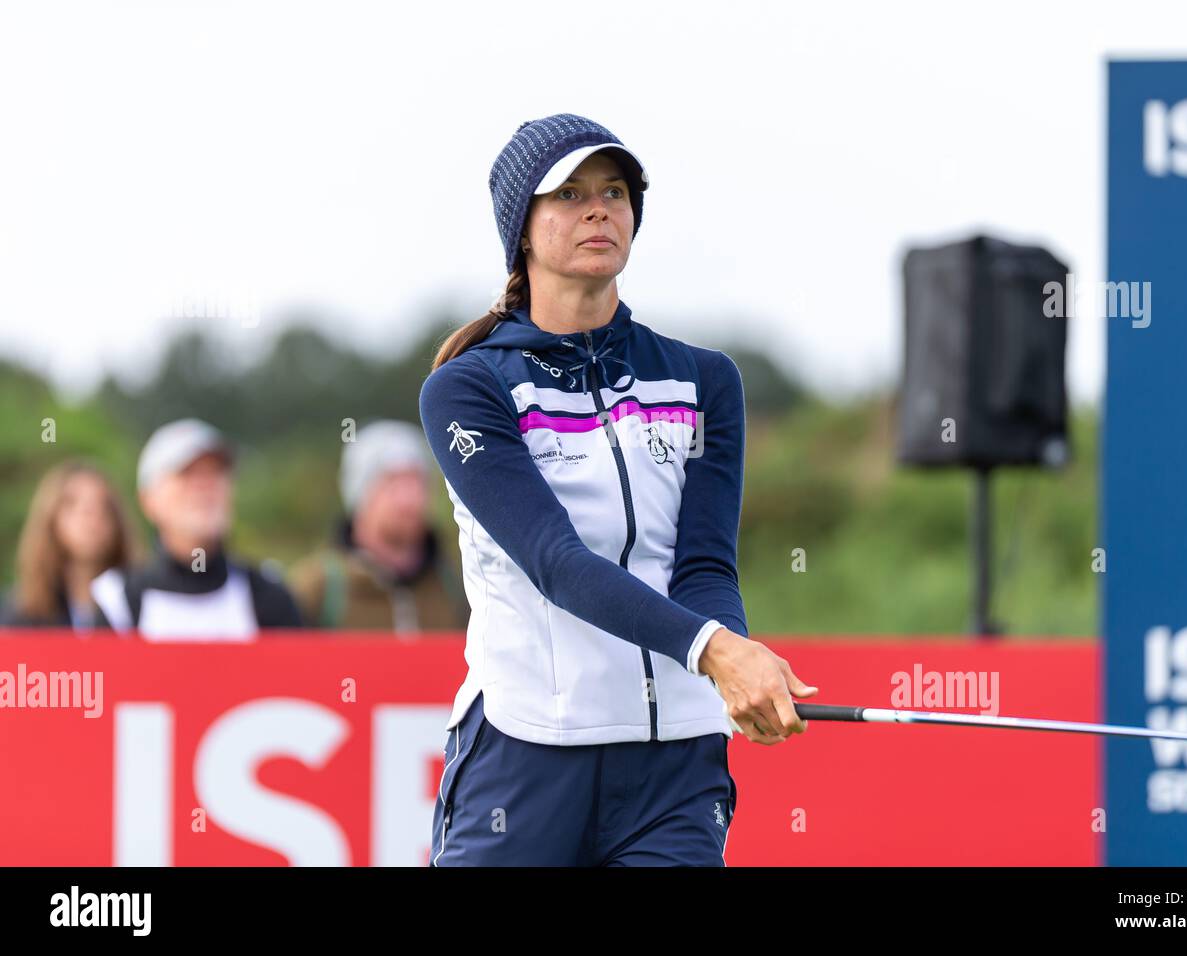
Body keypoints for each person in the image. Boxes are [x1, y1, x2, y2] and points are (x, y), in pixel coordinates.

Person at [418, 113, 818, 867]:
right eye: (568, 194)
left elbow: (702, 566)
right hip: (526, 749)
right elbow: (556, 561)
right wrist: (719, 653)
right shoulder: (468, 388)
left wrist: (726, 666)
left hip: (674, 769)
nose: (599, 208)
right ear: (524, 231)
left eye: (615, 191)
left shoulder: (704, 378)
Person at [89, 418, 303, 639]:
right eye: (187, 474)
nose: (205, 486)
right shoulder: (118, 601)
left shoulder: (268, 594)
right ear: (148, 500)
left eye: (216, 473)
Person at [289, 419, 470, 633]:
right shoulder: (316, 590)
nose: (408, 499)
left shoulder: (462, 586)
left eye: (418, 482)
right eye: (391, 483)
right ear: (359, 495)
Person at [0, 460, 138, 630]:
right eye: (72, 504)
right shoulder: (20, 614)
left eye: (103, 506)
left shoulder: (138, 607)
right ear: (50, 519)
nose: (91, 517)